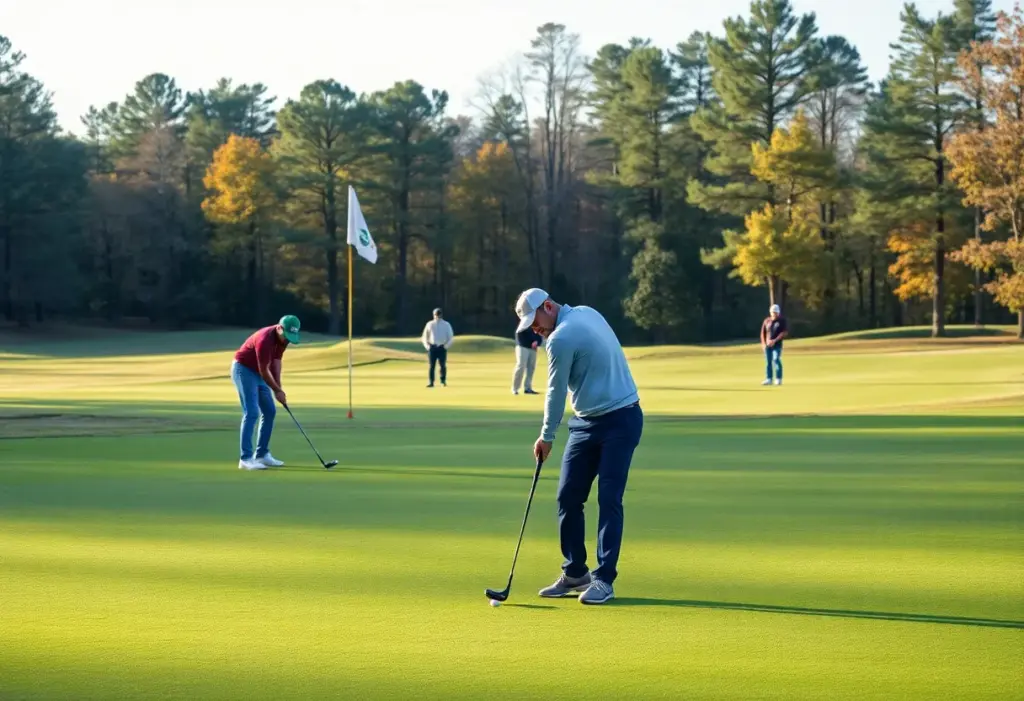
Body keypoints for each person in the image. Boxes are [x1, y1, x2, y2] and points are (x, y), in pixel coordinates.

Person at [514, 287, 643, 605]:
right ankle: (575, 572)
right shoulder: (587, 311)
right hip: (587, 423)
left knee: (609, 498)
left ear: (548, 305)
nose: (535, 328)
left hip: (620, 419)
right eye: (530, 325)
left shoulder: (560, 338)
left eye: (536, 320)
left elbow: (555, 393)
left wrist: (546, 437)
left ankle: (603, 580)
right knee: (568, 496)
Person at [231, 314, 301, 470]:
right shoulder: (265, 340)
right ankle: (246, 459)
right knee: (252, 412)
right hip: (244, 369)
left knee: (269, 411)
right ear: (279, 328)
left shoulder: (284, 339)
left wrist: (279, 389)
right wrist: (276, 390)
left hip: (259, 372)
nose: (287, 340)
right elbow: (264, 370)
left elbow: (276, 363)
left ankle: (262, 455)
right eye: (287, 336)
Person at [421, 307, 454, 387]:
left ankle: (443, 381)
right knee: (432, 366)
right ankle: (431, 382)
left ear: (441, 315)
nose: (437, 316)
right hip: (432, 347)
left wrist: (445, 347)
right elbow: (424, 337)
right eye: (436, 314)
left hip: (442, 348)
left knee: (442, 365)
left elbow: (450, 337)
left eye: (438, 314)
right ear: (433, 315)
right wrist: (428, 347)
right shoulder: (429, 324)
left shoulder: (446, 325)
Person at [760, 303, 788, 386]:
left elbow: (784, 332)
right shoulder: (766, 321)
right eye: (773, 312)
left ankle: (778, 379)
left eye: (776, 312)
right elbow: (763, 334)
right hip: (767, 346)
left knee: (776, 359)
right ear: (770, 312)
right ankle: (769, 379)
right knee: (768, 362)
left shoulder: (782, 321)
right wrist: (764, 344)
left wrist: (774, 340)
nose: (774, 314)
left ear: (778, 313)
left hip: (777, 345)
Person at [511, 325, 543, 395]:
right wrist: (531, 341)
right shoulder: (524, 322)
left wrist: (537, 342)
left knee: (531, 368)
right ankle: (515, 388)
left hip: (533, 349)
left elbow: (540, 335)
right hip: (522, 347)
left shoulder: (536, 324)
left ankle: (528, 388)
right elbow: (520, 335)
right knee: (521, 366)